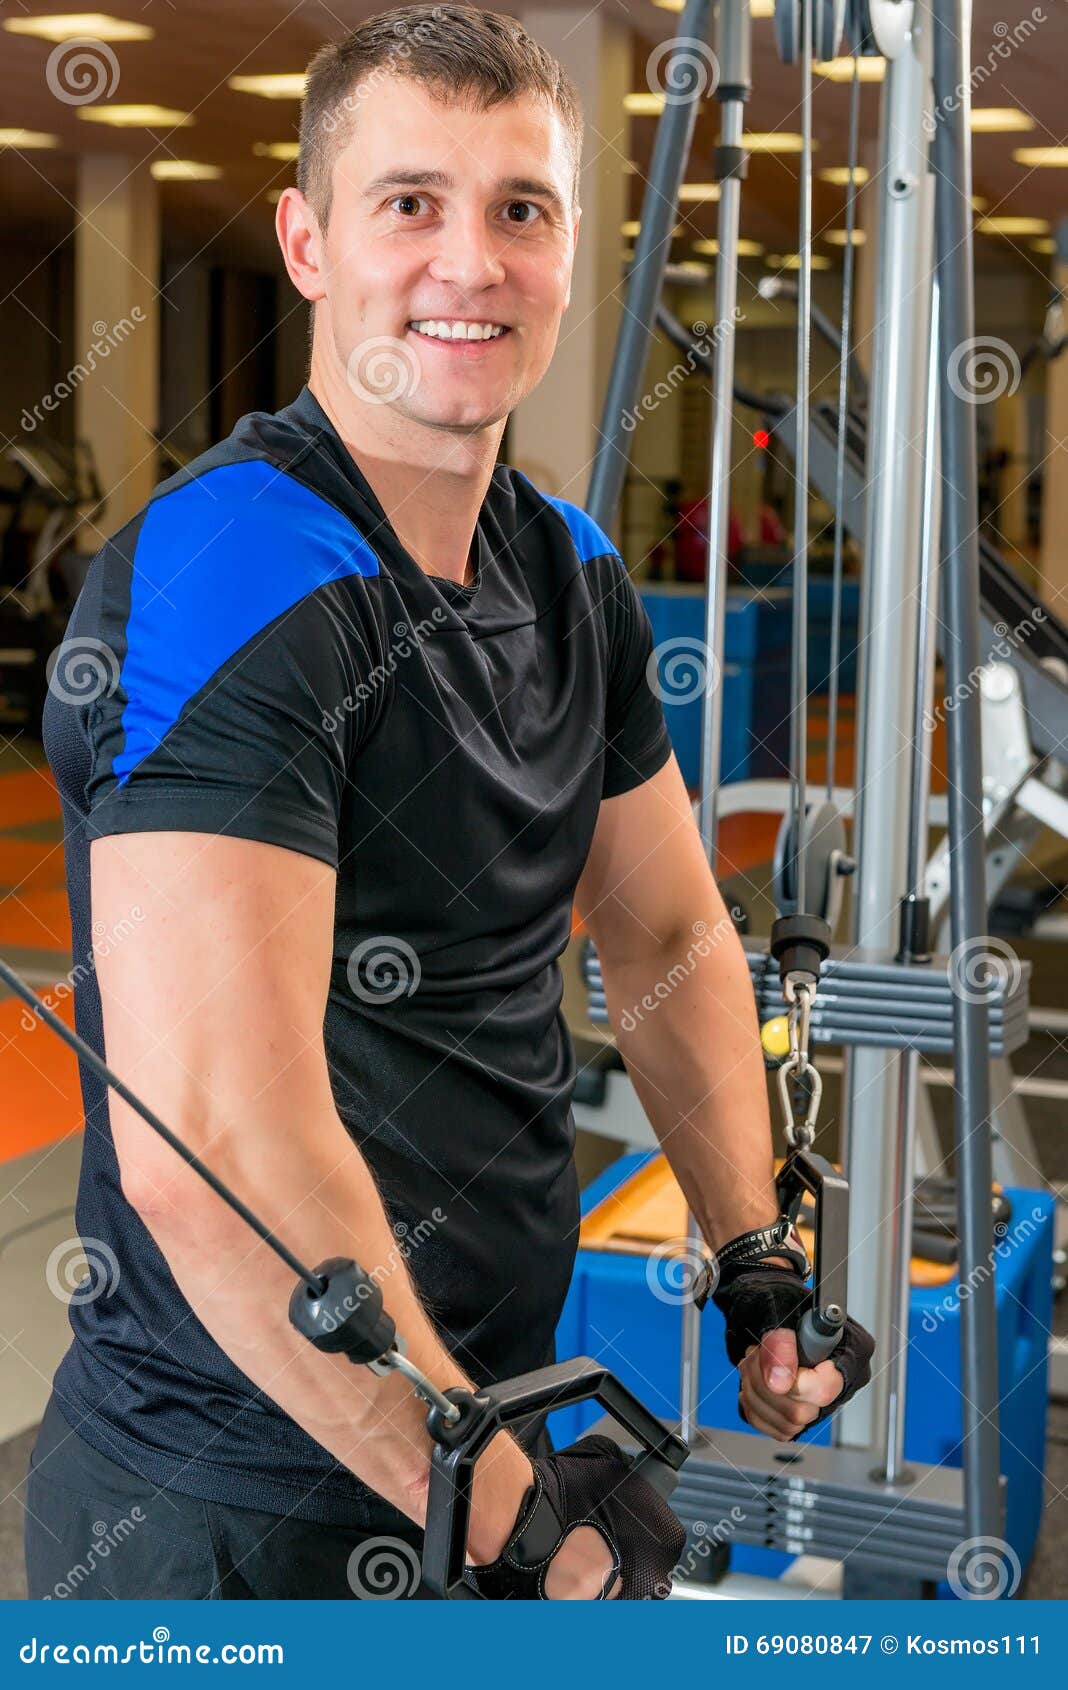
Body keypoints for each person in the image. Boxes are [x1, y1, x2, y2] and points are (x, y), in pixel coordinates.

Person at [24, 4, 872, 1602]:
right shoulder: (236, 568)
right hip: (236, 1492)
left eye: (520, 210)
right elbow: (210, 1144)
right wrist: (517, 1528)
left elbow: (668, 919)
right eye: (410, 202)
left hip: (479, 1422)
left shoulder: (568, 567)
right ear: (308, 241)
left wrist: (752, 1244)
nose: (469, 263)